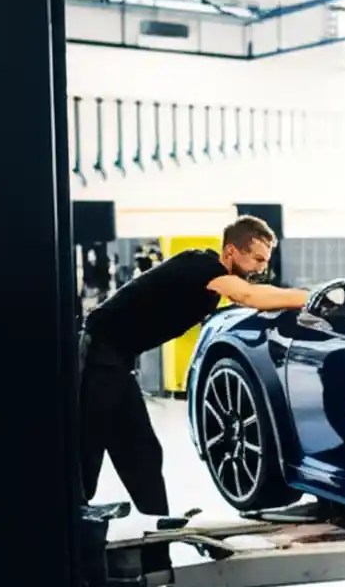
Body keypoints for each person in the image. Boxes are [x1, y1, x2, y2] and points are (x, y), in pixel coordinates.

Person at [78, 215, 309, 523]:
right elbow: (252, 296)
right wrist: (313, 299)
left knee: (140, 446)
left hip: (116, 356)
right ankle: (74, 510)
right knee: (88, 437)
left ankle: (158, 518)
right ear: (230, 252)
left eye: (265, 261)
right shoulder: (204, 267)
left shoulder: (209, 281)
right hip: (95, 349)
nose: (261, 269)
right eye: (256, 259)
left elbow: (253, 297)